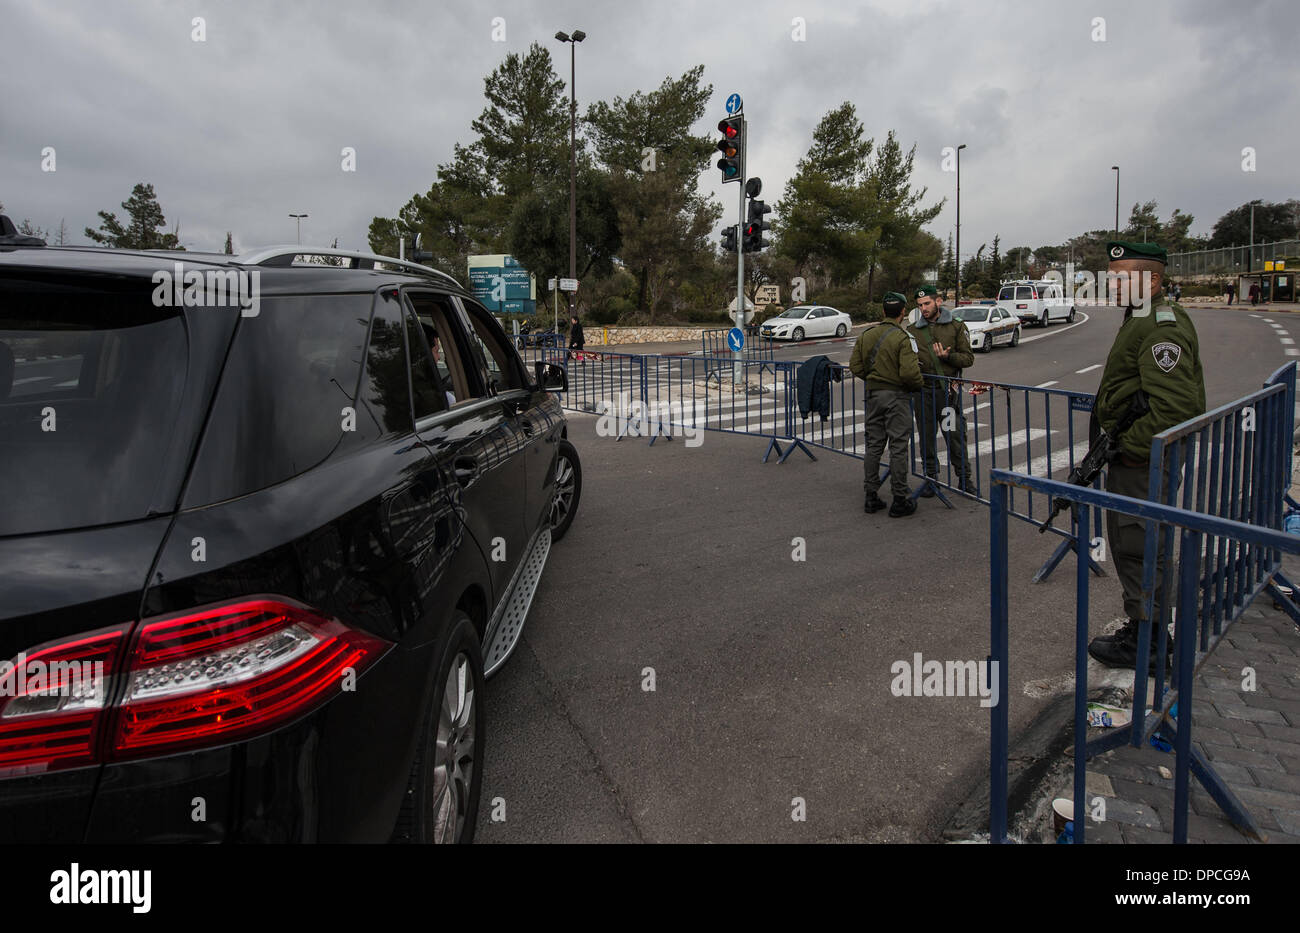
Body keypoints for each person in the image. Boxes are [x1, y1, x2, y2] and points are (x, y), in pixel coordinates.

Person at [1087, 241, 1206, 674]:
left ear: (1152, 280)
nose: (1112, 283)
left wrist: (1130, 450)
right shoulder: (1140, 316)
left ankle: (1149, 641)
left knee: (1140, 545)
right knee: (1135, 543)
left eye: (1121, 276)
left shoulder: (1160, 325)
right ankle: (1147, 628)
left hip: (1145, 462)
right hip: (1141, 458)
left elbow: (1175, 408)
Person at [849, 292, 923, 516]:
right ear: (903, 312)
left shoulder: (867, 335)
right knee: (898, 447)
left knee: (874, 445)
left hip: (873, 396)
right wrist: (917, 385)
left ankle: (871, 496)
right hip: (896, 397)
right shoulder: (903, 338)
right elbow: (910, 374)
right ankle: (899, 499)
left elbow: (855, 365)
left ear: (883, 311)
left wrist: (873, 379)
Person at [907, 284, 975, 494]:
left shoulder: (955, 326)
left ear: (938, 301)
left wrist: (948, 357)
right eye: (920, 305)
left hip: (946, 394)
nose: (923, 308)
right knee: (926, 438)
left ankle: (964, 479)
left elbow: (968, 358)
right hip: (923, 393)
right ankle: (930, 479)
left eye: (927, 303)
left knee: (954, 436)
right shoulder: (912, 331)